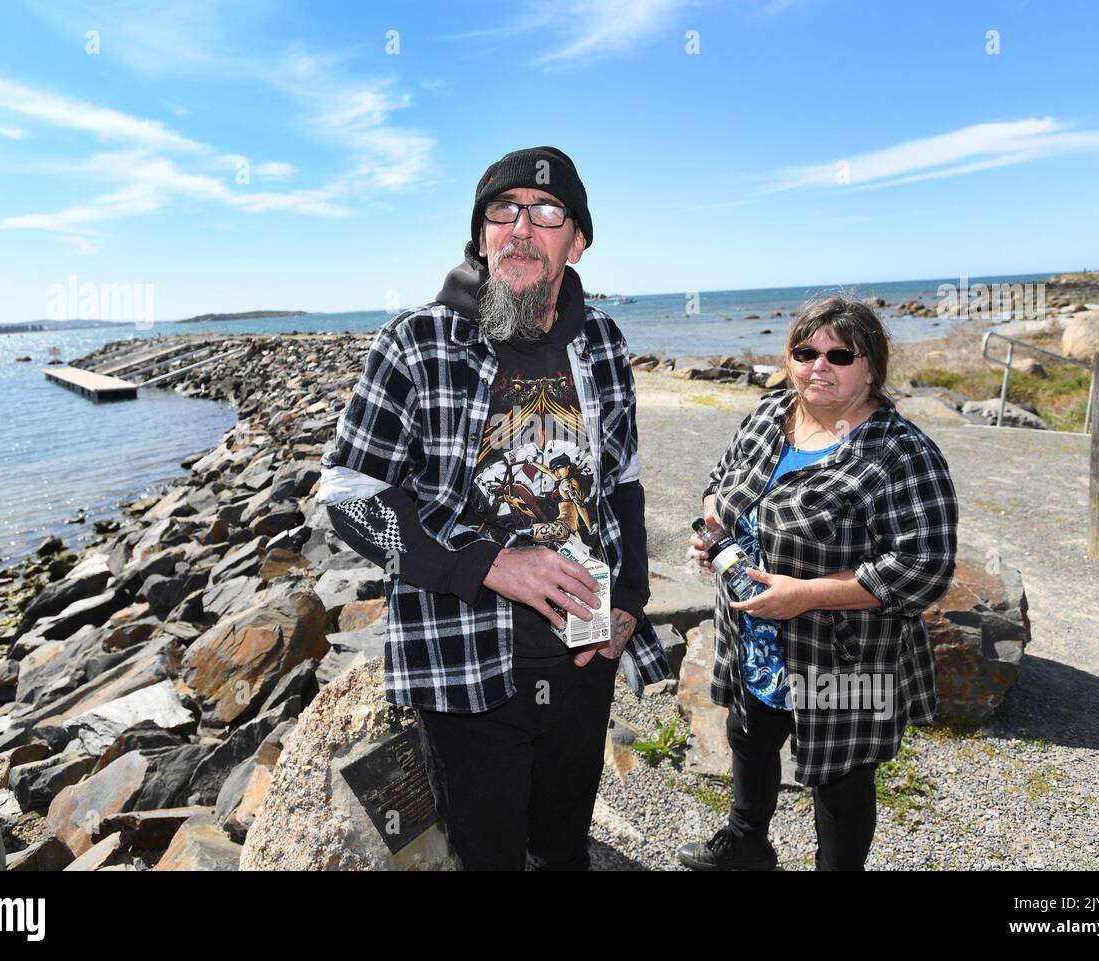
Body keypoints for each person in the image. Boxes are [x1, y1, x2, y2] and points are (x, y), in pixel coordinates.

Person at [317, 146, 668, 870]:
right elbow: (348, 494)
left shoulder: (602, 341)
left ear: (578, 239)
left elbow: (623, 479)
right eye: (501, 211)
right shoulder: (416, 343)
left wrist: (630, 599)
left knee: (565, 847)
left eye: (545, 213)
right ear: (480, 236)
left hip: (584, 655)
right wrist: (489, 565)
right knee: (490, 855)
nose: (520, 227)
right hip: (464, 664)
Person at [678, 294, 958, 871]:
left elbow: (923, 567)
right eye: (805, 351)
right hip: (753, 640)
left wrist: (804, 595)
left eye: (840, 354)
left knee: (841, 782)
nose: (818, 365)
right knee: (749, 738)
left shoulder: (902, 454)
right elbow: (720, 482)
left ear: (872, 367)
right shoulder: (768, 415)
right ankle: (746, 845)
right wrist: (712, 529)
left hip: (845, 655)